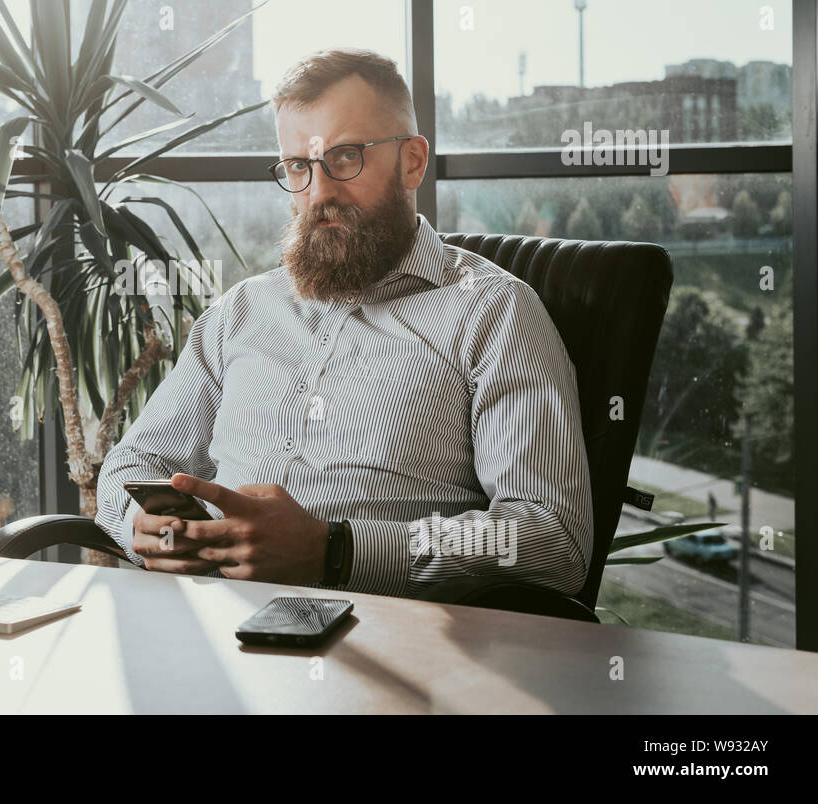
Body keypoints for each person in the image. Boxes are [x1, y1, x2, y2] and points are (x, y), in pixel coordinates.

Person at [94, 48, 592, 598]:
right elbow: (131, 465)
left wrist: (336, 551)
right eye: (299, 167)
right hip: (212, 630)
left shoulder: (493, 313)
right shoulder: (238, 313)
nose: (320, 192)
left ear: (413, 161)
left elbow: (554, 541)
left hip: (385, 645)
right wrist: (144, 528)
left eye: (346, 157)